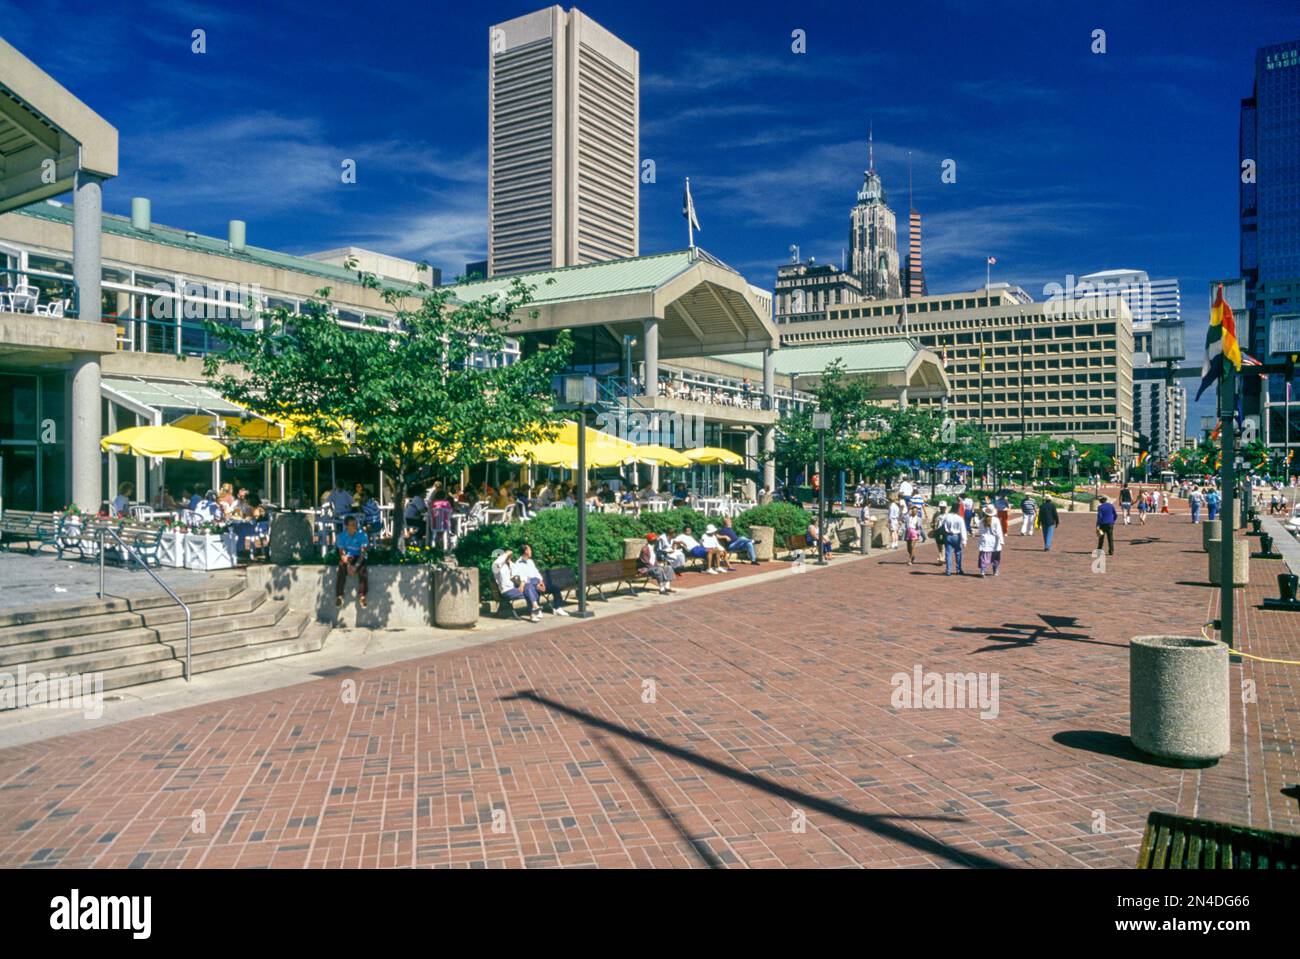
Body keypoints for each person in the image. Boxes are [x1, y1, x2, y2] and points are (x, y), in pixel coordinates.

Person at [512, 543, 569, 619]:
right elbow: (521, 578)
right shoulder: (518, 564)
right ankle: (536, 610)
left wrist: (541, 582)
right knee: (532, 588)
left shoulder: (530, 562)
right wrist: (535, 583)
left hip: (537, 582)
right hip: (529, 583)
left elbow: (536, 573)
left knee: (555, 588)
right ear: (526, 551)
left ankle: (557, 608)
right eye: (530, 550)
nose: (531, 551)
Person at [335, 515, 369, 609]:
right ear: (346, 526)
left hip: (359, 557)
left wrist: (356, 566)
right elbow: (342, 553)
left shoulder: (362, 535)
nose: (355, 526)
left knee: (363, 570)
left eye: (356, 524)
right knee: (341, 566)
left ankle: (362, 596)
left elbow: (363, 552)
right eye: (352, 524)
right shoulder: (342, 536)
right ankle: (339, 596)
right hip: (349, 557)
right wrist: (348, 565)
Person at [938, 505, 968, 575]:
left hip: (948, 536)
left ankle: (948, 570)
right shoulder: (959, 518)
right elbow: (963, 530)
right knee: (958, 553)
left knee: (948, 554)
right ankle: (958, 569)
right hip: (957, 536)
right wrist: (964, 541)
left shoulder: (947, 517)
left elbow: (942, 525)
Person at [977, 505, 1005, 577]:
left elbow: (980, 532)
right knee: (996, 557)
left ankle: (983, 571)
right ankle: (995, 570)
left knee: (984, 556)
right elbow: (999, 531)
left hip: (985, 540)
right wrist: (1001, 540)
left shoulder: (982, 520)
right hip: (994, 540)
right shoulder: (996, 520)